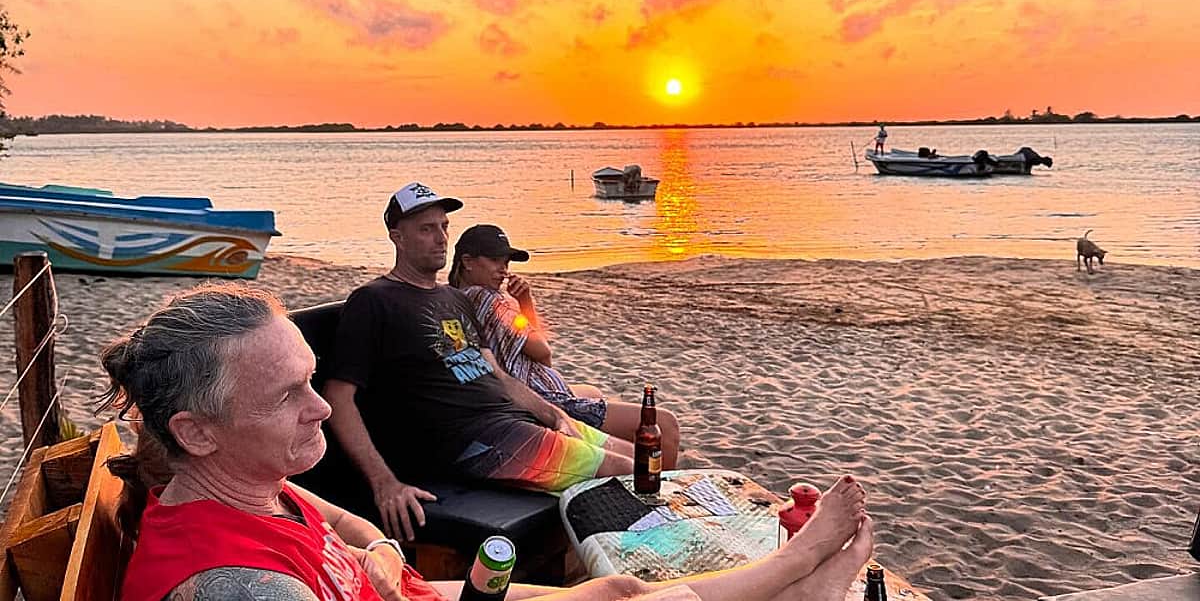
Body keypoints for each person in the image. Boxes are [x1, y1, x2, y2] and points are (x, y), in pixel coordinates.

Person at [99, 284, 876, 601]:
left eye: (312, 378)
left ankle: (792, 582)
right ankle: (797, 569)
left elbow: (344, 527)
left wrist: (376, 554)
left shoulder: (242, 486)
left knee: (617, 590)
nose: (321, 409)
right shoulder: (239, 586)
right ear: (195, 431)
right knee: (623, 596)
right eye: (288, 394)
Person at [323, 182, 638, 542]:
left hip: (512, 423)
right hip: (470, 443)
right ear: (398, 237)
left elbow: (498, 375)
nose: (441, 238)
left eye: (444, 227)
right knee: (627, 472)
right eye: (426, 229)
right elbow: (338, 396)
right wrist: (384, 483)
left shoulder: (455, 300)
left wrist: (554, 414)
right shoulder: (373, 300)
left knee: (641, 459)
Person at [448, 223, 681, 468]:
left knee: (593, 392)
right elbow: (544, 353)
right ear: (467, 261)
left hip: (528, 392)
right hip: (539, 398)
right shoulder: (488, 299)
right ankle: (659, 486)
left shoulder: (453, 298)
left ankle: (612, 457)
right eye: (495, 260)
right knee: (665, 424)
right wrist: (525, 302)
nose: (504, 270)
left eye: (506, 262)